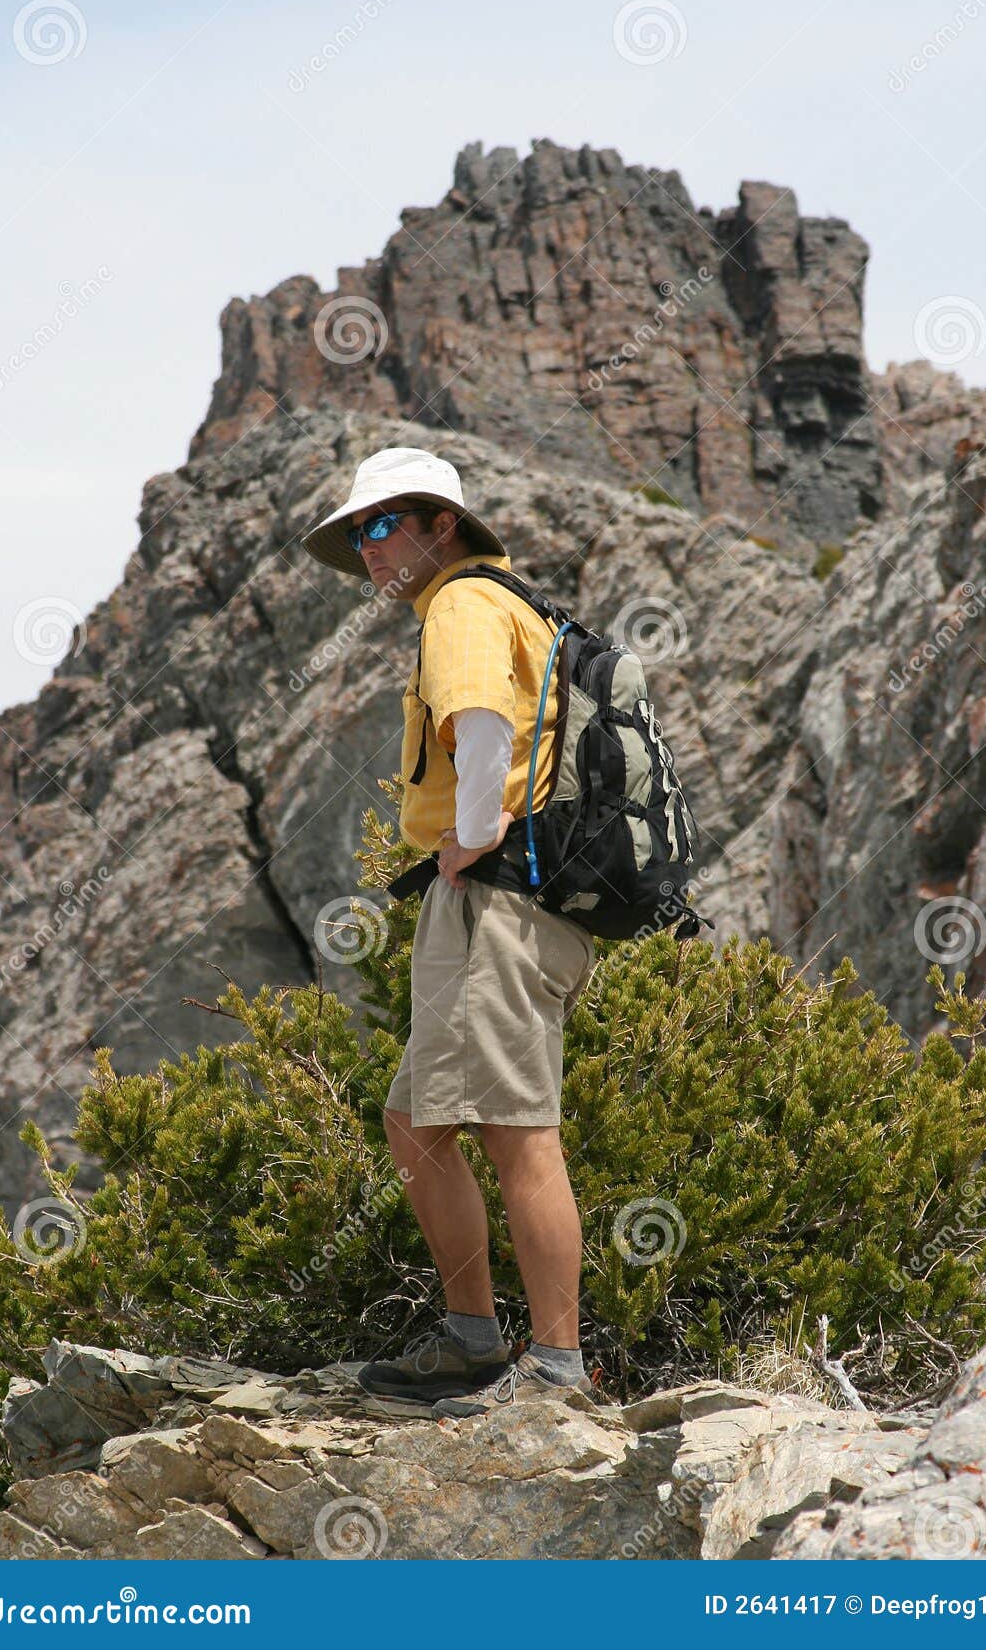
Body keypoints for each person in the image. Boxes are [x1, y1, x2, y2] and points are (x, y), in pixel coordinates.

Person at [302, 446, 600, 1413]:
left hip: (497, 898)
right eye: (359, 533)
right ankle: (473, 1338)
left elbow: (480, 727)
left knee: (519, 1134)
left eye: (385, 525)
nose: (370, 548)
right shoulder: (493, 603)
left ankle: (554, 1370)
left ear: (442, 526)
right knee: (416, 1121)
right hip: (500, 901)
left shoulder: (466, 605)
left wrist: (471, 841)